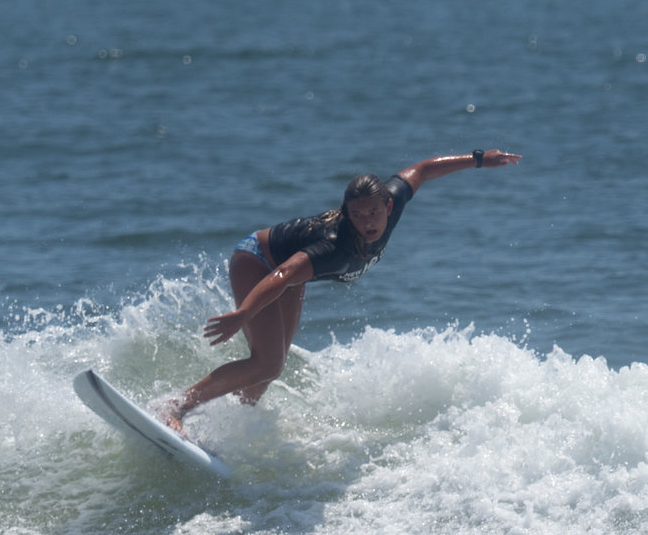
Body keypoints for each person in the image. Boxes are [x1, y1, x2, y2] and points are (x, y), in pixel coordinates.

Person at [163, 148, 522, 432]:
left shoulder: (393, 202)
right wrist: (243, 313)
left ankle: (233, 428)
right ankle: (176, 407)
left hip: (291, 274)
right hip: (259, 262)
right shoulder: (335, 245)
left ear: (389, 205)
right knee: (266, 362)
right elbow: (285, 273)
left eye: (373, 213)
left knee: (271, 368)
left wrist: (478, 160)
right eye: (358, 214)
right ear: (347, 214)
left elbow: (424, 169)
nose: (367, 222)